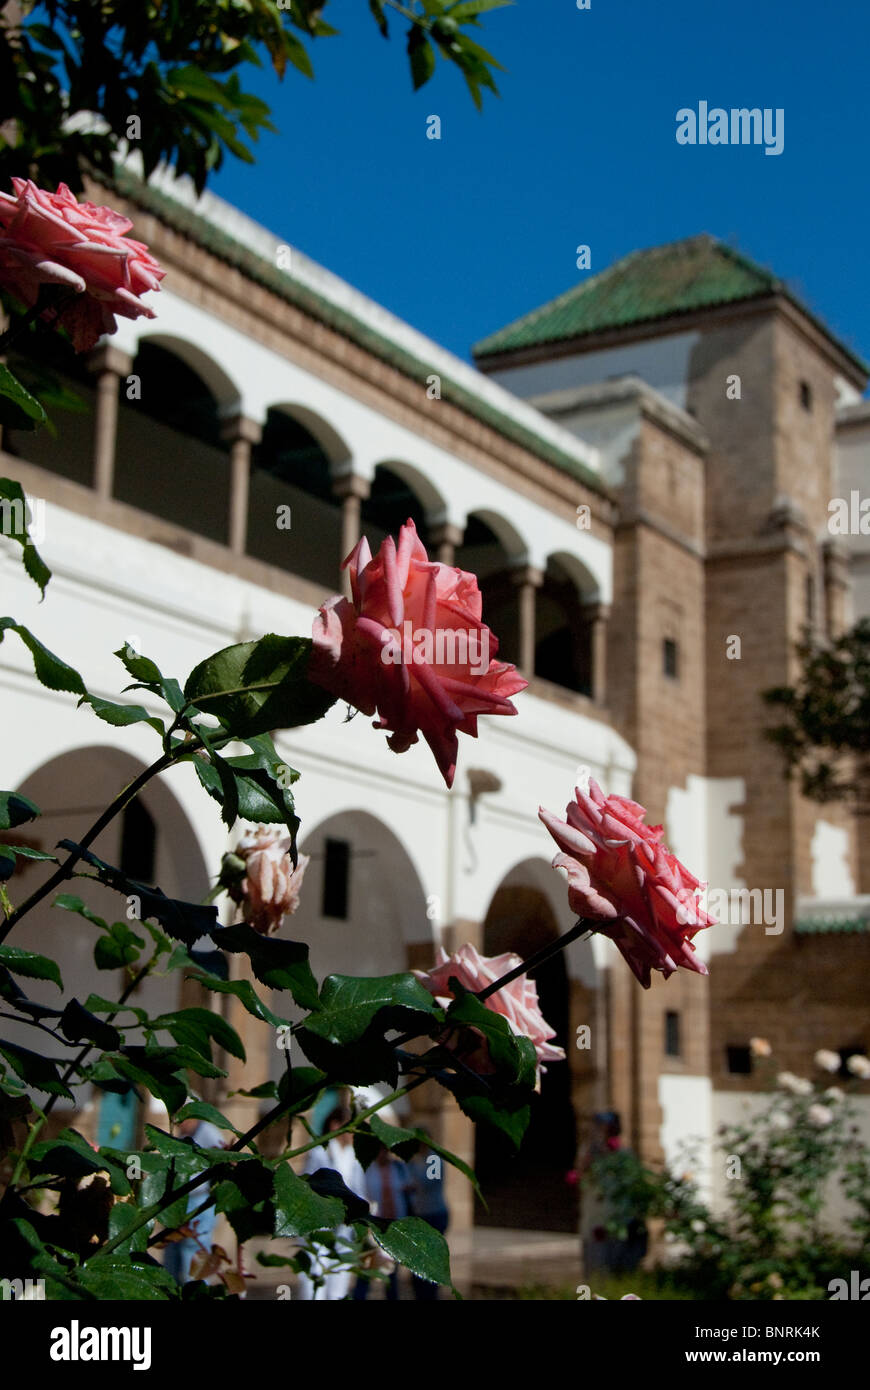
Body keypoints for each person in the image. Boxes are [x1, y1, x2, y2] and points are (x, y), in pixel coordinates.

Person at [296, 1107, 368, 1301]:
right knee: (314, 1280)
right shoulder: (320, 1151)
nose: (354, 1133)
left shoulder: (354, 1156)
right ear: (335, 1126)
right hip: (318, 1226)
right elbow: (311, 1188)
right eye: (351, 1128)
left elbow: (360, 1190)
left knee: (339, 1284)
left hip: (344, 1229)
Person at [578, 1110, 649, 1276]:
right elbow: (582, 1176)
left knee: (620, 1272)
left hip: (621, 1223)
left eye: (606, 1128)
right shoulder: (590, 1155)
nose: (603, 1132)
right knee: (596, 1273)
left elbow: (635, 1189)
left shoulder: (625, 1156)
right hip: (596, 1225)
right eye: (599, 1128)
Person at [163, 1116, 225, 1286]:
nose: (177, 1124)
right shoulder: (183, 1136)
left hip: (198, 1201)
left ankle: (196, 1290)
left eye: (180, 1120)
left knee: (194, 1251)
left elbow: (225, 1157)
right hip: (179, 1202)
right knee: (172, 1252)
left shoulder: (207, 1132)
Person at [353, 1147, 412, 1300]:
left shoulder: (398, 1168)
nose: (382, 1153)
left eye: (385, 1150)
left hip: (395, 1225)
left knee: (391, 1272)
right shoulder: (366, 1170)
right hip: (373, 1227)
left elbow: (409, 1189)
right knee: (366, 1269)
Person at [406, 1134, 449, 1301]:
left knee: (430, 1258)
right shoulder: (421, 1159)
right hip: (421, 1213)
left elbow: (429, 1181)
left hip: (433, 1213)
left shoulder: (434, 1158)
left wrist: (412, 1169)